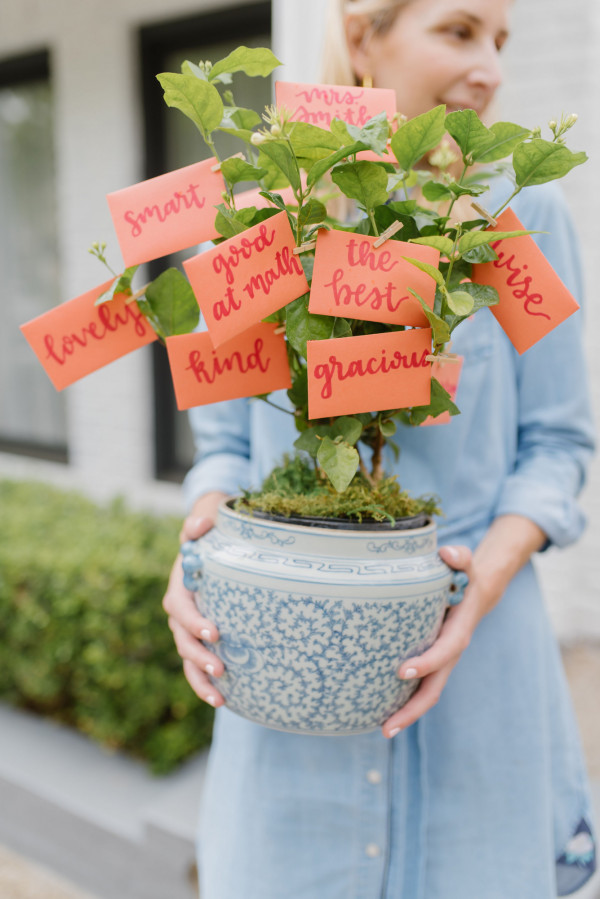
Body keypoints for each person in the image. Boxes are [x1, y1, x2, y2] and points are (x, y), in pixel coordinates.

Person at [163, 0, 598, 895]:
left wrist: (479, 582)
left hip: (481, 680)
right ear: (363, 36)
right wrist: (201, 541)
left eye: (501, 41)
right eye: (459, 30)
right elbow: (223, 449)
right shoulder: (262, 211)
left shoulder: (522, 211)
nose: (491, 69)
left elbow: (558, 443)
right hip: (289, 669)